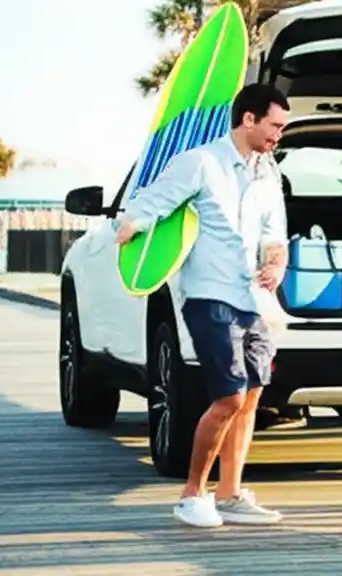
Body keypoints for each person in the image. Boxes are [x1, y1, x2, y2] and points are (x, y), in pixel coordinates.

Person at [115, 83, 291, 528]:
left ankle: (230, 493)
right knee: (229, 396)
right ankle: (192, 494)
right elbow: (153, 201)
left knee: (252, 395)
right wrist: (129, 228)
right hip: (209, 296)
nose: (279, 135)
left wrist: (276, 266)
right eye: (275, 125)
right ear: (248, 119)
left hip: (251, 297)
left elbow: (275, 235)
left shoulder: (267, 172)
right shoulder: (200, 162)